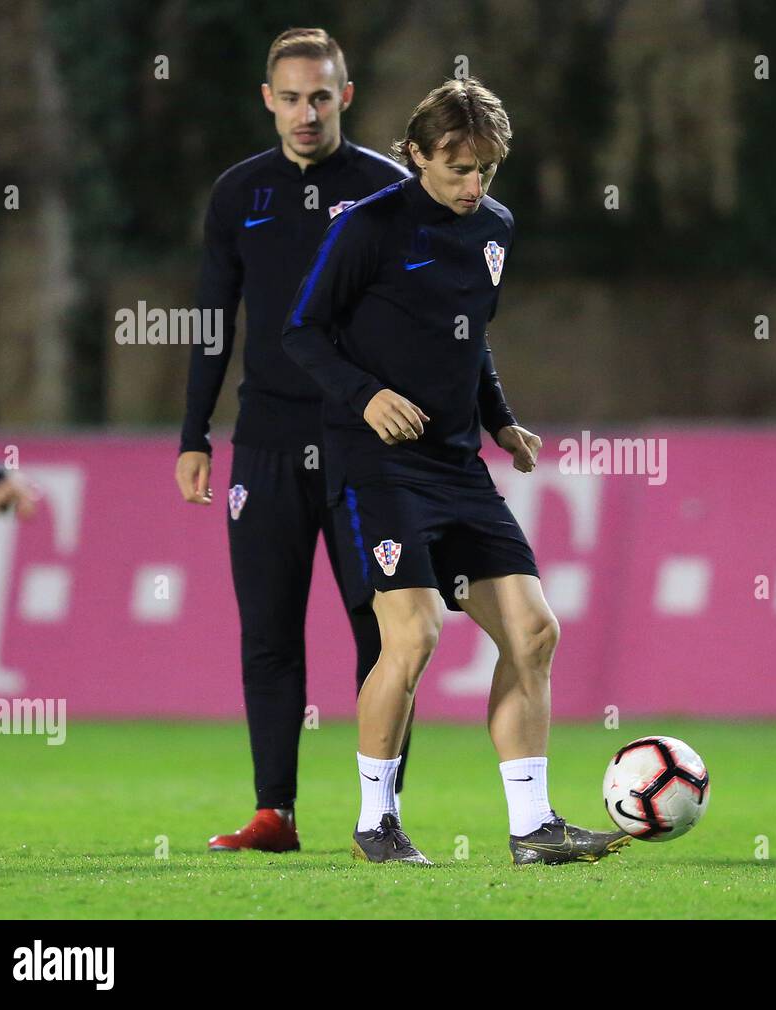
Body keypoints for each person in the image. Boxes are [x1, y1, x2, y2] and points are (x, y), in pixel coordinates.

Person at [283, 78, 630, 866]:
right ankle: (377, 822)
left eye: (486, 171)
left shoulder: (496, 229)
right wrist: (366, 396)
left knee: (535, 633)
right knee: (414, 635)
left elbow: (469, 338)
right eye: (458, 169)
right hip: (376, 464)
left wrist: (500, 418)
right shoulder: (367, 228)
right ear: (416, 156)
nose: (474, 186)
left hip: (457, 464)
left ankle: (534, 828)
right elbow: (300, 332)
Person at [176, 28, 412, 853]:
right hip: (267, 445)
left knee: (381, 634)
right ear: (267, 101)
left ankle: (377, 815)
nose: (306, 112)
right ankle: (274, 811)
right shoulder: (240, 193)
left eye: (321, 96)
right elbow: (214, 320)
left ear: (344, 96)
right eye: (291, 97)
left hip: (362, 448)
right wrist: (194, 432)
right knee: (269, 634)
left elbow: (421, 320)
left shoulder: (388, 190)